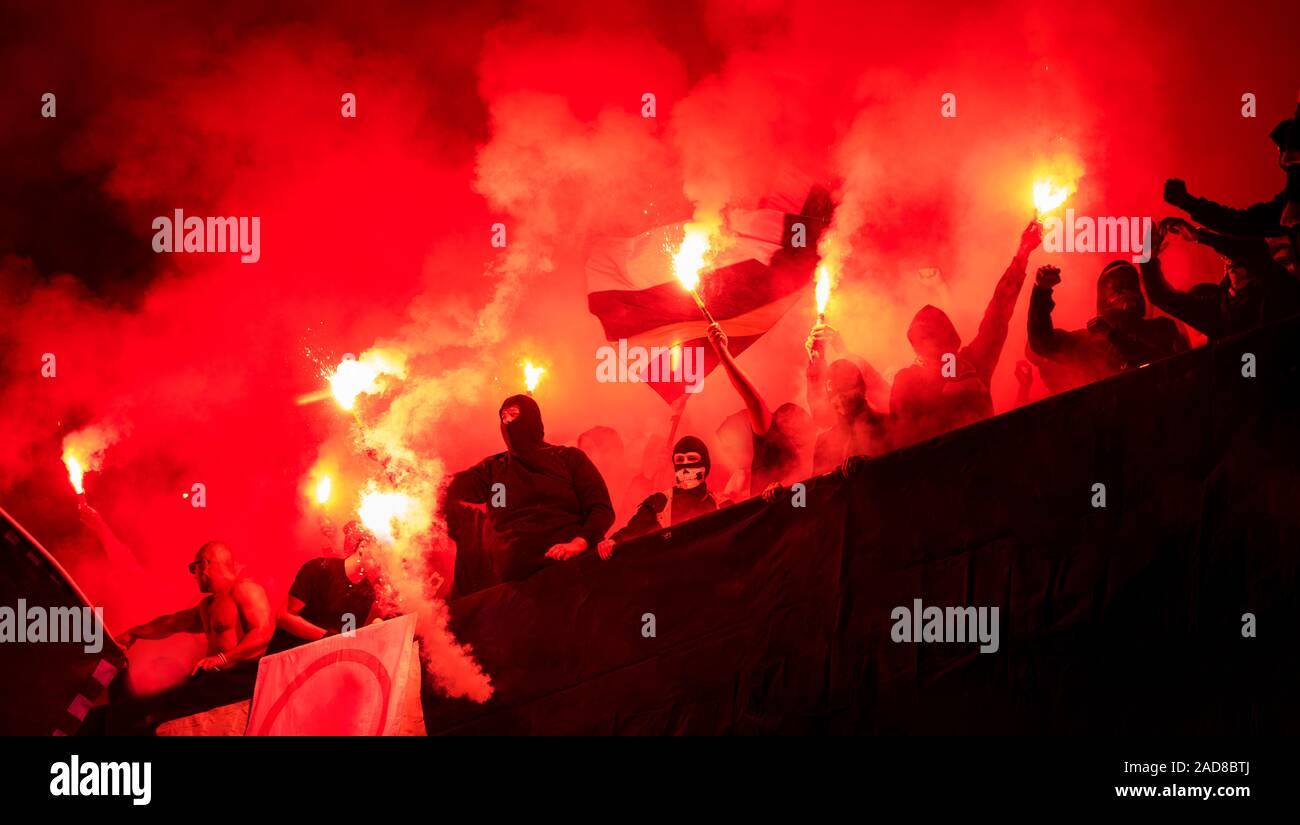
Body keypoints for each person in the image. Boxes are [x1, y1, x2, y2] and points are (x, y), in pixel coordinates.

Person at [889, 220, 1042, 447]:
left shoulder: (972, 363)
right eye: (930, 343)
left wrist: (1022, 256)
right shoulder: (908, 381)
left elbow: (998, 313)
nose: (938, 352)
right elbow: (900, 439)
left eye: (940, 343)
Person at [99, 541, 273, 734]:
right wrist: (133, 633)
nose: (194, 576)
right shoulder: (208, 606)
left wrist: (223, 658)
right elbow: (170, 623)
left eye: (193, 568)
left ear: (205, 565)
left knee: (145, 713)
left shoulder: (245, 589)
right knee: (124, 712)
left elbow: (263, 632)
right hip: (213, 681)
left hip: (239, 680)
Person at [442, 394, 614, 588]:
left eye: (513, 414)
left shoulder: (568, 458)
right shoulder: (493, 468)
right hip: (519, 584)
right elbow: (451, 486)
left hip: (573, 568)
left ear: (531, 418)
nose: (507, 421)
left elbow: (601, 508)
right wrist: (416, 478)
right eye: (503, 416)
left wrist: (578, 543)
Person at [1026, 261, 1188, 392]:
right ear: (1103, 297)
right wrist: (1042, 291)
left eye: (1129, 285)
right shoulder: (1088, 341)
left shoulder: (1161, 328)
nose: (1124, 291)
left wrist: (1114, 336)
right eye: (1116, 286)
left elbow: (1164, 366)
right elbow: (1042, 343)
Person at [1140, 217, 1300, 341]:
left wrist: (1200, 236)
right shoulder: (1219, 309)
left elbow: (1261, 265)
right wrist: (1147, 258)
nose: (1230, 262)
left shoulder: (1277, 293)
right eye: (1226, 257)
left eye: (1235, 256)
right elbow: (1162, 297)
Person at [706, 322, 814, 498]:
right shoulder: (737, 480)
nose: (729, 455)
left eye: (729, 447)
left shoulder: (789, 460)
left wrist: (723, 353)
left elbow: (753, 401)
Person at [597, 436, 729, 559]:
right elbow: (633, 530)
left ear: (705, 464)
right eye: (680, 460)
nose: (685, 466)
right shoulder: (659, 503)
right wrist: (612, 541)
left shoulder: (722, 504)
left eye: (692, 459)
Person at [266, 521, 383, 655]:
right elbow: (284, 617)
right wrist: (327, 637)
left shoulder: (366, 593)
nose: (381, 563)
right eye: (379, 555)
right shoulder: (320, 569)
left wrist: (370, 633)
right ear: (362, 547)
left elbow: (346, 634)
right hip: (286, 658)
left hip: (319, 666)